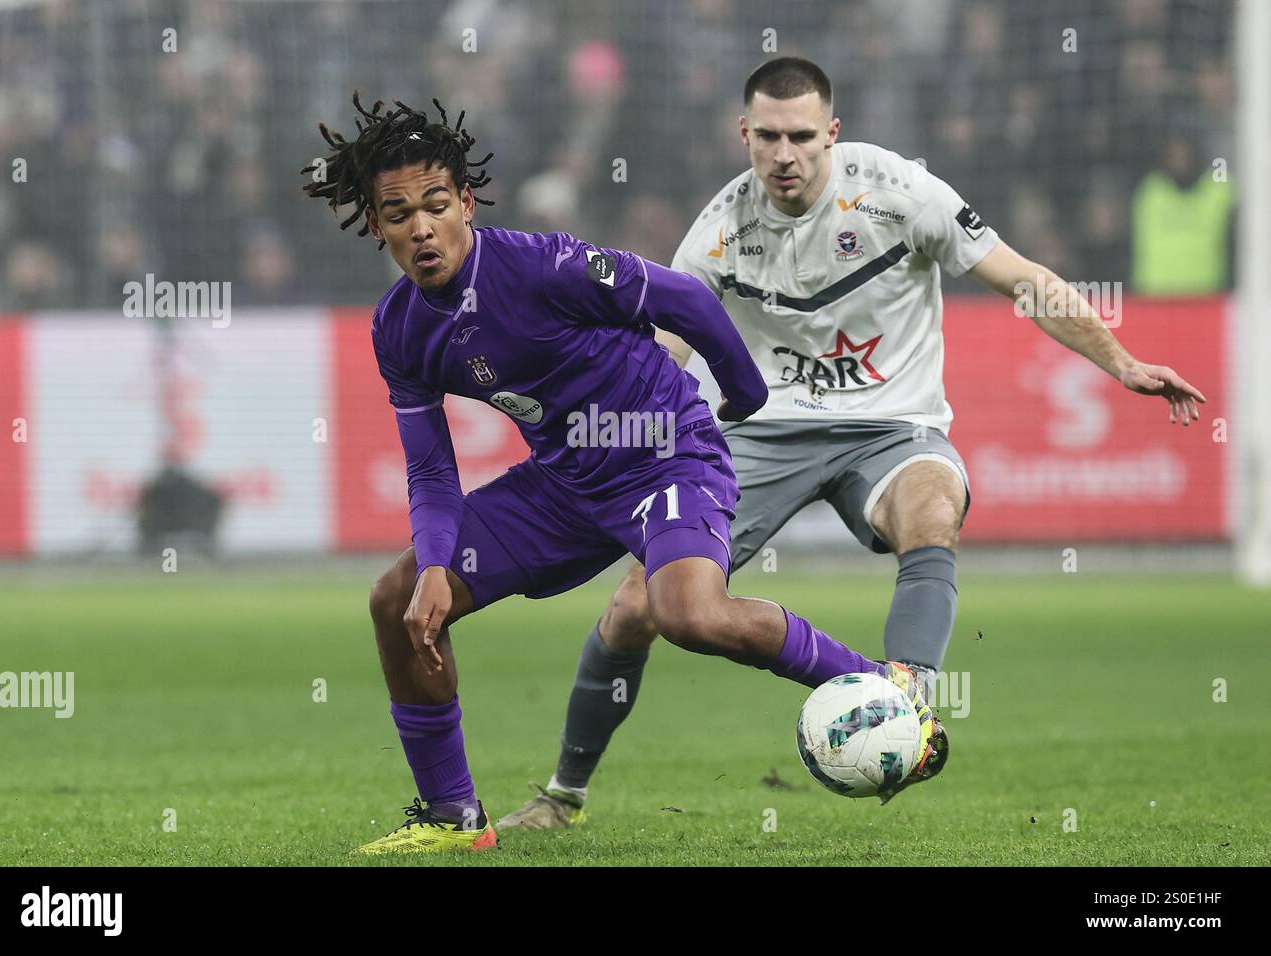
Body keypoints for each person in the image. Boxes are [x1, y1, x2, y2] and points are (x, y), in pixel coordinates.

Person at [498, 57, 1207, 831]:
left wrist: (1121, 362)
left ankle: (908, 700)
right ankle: (562, 796)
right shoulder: (719, 232)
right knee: (639, 605)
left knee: (931, 508)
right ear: (744, 135)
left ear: (832, 133)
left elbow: (1022, 280)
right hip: (758, 432)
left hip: (892, 427)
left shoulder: (902, 195)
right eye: (769, 137)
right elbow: (662, 353)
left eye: (802, 137)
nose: (785, 155)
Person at [302, 93, 946, 855]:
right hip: (562, 486)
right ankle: (452, 817)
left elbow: (687, 299)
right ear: (376, 225)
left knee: (690, 616)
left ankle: (889, 693)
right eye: (399, 213)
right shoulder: (399, 328)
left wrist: (743, 392)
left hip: (665, 454)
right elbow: (432, 468)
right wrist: (437, 564)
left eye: (436, 206)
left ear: (466, 204)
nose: (421, 227)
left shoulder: (544, 266)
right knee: (397, 600)